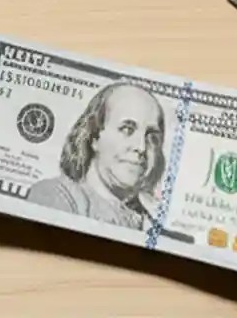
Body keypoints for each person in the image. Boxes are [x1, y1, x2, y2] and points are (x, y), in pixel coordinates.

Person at [27, 83, 166, 229]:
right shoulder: (56, 195)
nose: (141, 147)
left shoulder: (149, 219)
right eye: (127, 129)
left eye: (152, 138)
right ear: (94, 136)